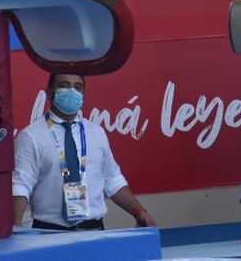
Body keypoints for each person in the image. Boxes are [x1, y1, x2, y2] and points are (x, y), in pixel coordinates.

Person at [12, 72, 155, 231]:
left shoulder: (97, 132)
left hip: (94, 231)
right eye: (64, 86)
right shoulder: (30, 136)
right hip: (49, 233)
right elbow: (20, 184)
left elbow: (112, 179)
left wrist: (139, 212)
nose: (72, 92)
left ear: (83, 95)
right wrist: (16, 227)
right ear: (50, 93)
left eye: (77, 87)